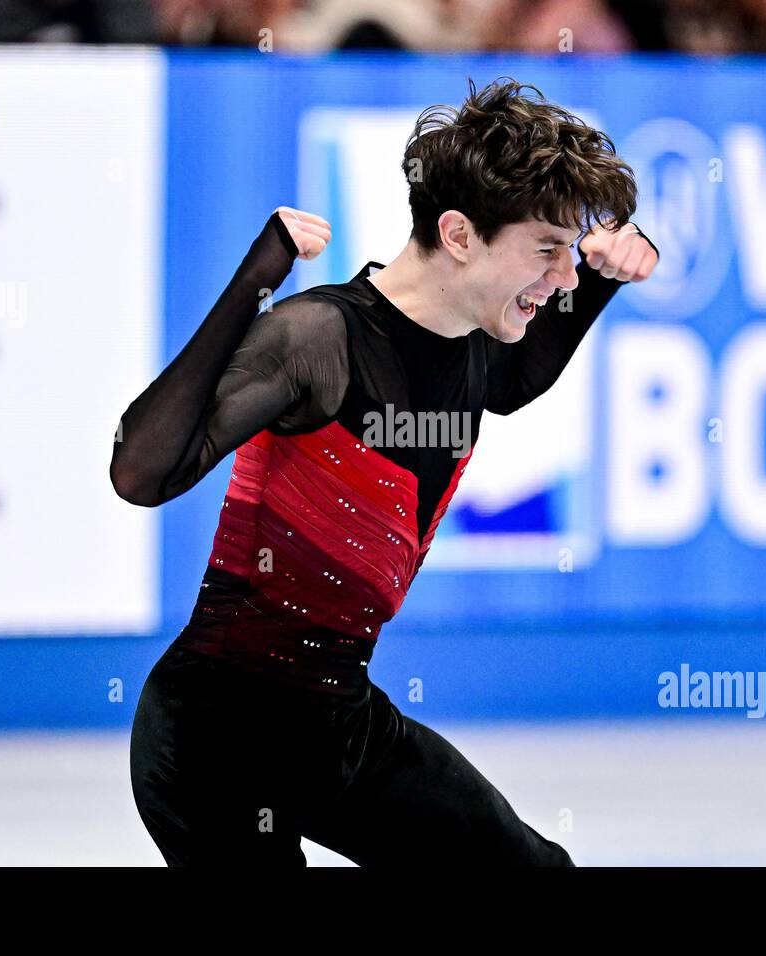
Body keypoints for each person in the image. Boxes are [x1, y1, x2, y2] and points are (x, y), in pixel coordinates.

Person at [112, 77, 659, 867]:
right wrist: (256, 280)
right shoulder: (316, 340)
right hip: (212, 741)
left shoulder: (478, 339)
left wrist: (600, 276)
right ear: (460, 234)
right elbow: (142, 472)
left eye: (570, 253)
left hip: (338, 726)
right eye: (547, 249)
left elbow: (515, 381)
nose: (564, 274)